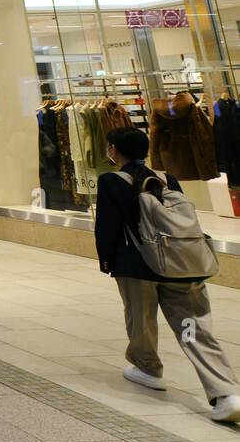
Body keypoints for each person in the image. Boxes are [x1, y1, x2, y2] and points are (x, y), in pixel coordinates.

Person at [95, 127, 240, 422]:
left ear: (113, 149)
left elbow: (107, 227)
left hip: (138, 267)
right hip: (182, 266)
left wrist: (107, 261)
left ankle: (148, 369)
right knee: (193, 328)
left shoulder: (111, 180)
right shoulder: (167, 179)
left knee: (142, 321)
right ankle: (226, 393)